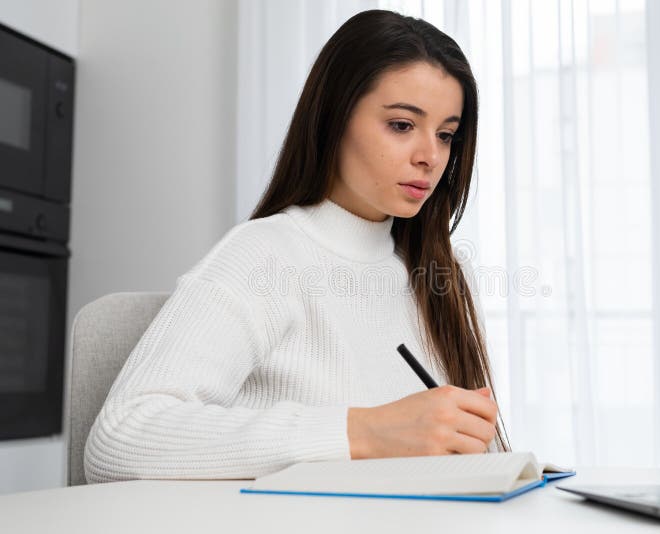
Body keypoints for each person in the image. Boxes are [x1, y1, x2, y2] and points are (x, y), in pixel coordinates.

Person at [84, 9, 510, 484]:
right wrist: (363, 433)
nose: (430, 156)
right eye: (401, 125)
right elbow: (120, 439)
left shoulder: (447, 276)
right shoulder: (265, 256)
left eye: (446, 135)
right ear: (333, 118)